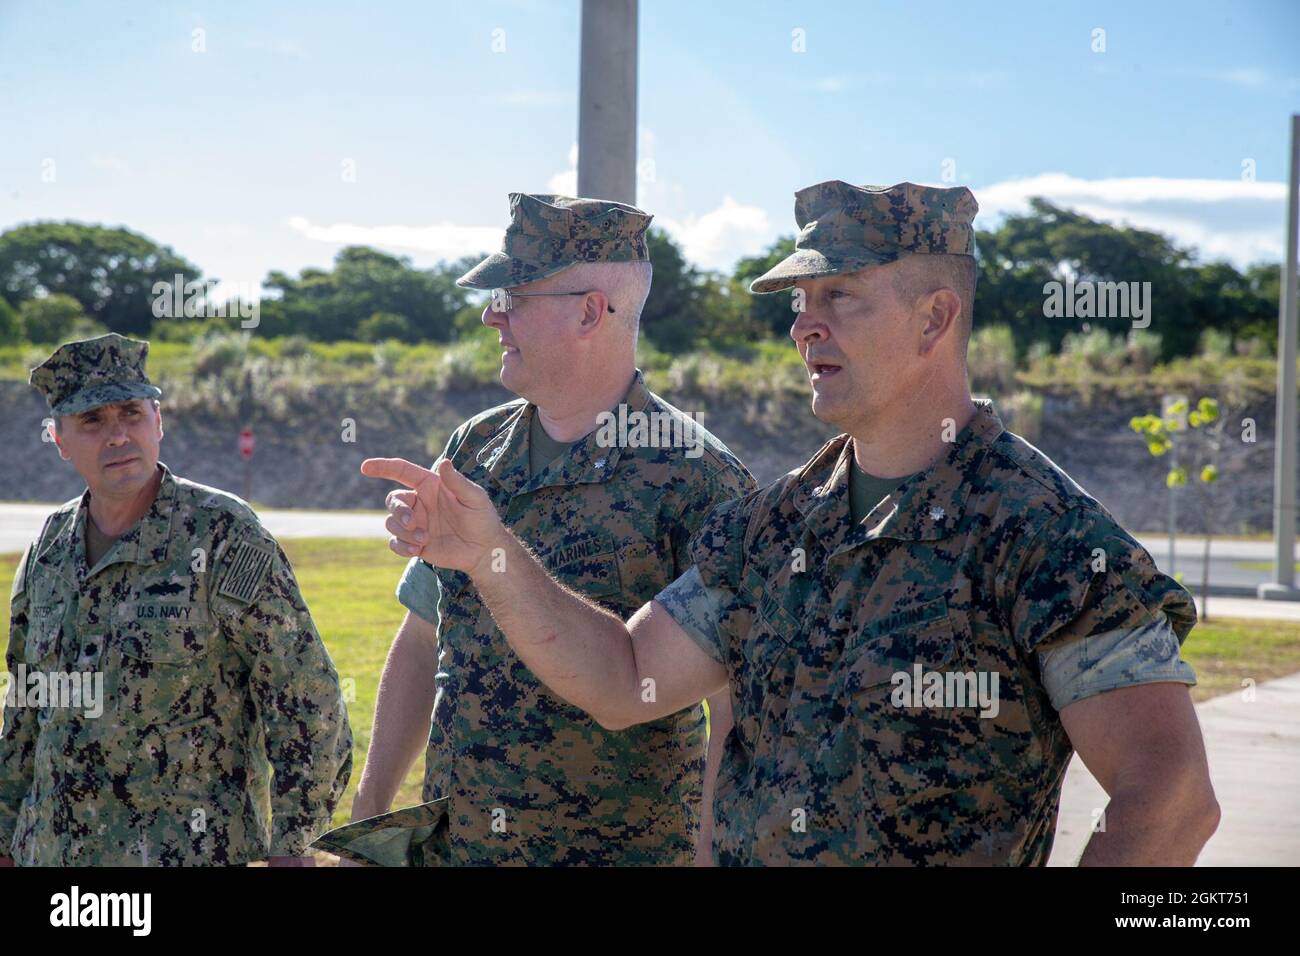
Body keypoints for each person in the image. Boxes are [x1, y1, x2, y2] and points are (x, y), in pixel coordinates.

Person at [362, 180, 1220, 866]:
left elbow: (1170, 798)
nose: (806, 324)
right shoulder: (770, 528)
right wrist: (492, 555)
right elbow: (629, 682)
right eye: (801, 299)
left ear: (934, 317)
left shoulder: (1044, 536)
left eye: (840, 296)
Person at [318, 193, 755, 866]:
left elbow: (732, 714)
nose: (492, 315)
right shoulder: (475, 448)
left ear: (589, 311)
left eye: (514, 295)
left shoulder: (700, 479)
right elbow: (423, 636)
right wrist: (372, 813)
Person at [0, 333, 352, 866]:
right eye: (93, 421)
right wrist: (6, 835)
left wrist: (293, 844)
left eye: (132, 414)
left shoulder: (222, 535)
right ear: (58, 439)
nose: (118, 436)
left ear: (158, 423)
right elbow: (24, 707)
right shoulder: (48, 548)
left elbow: (303, 695)